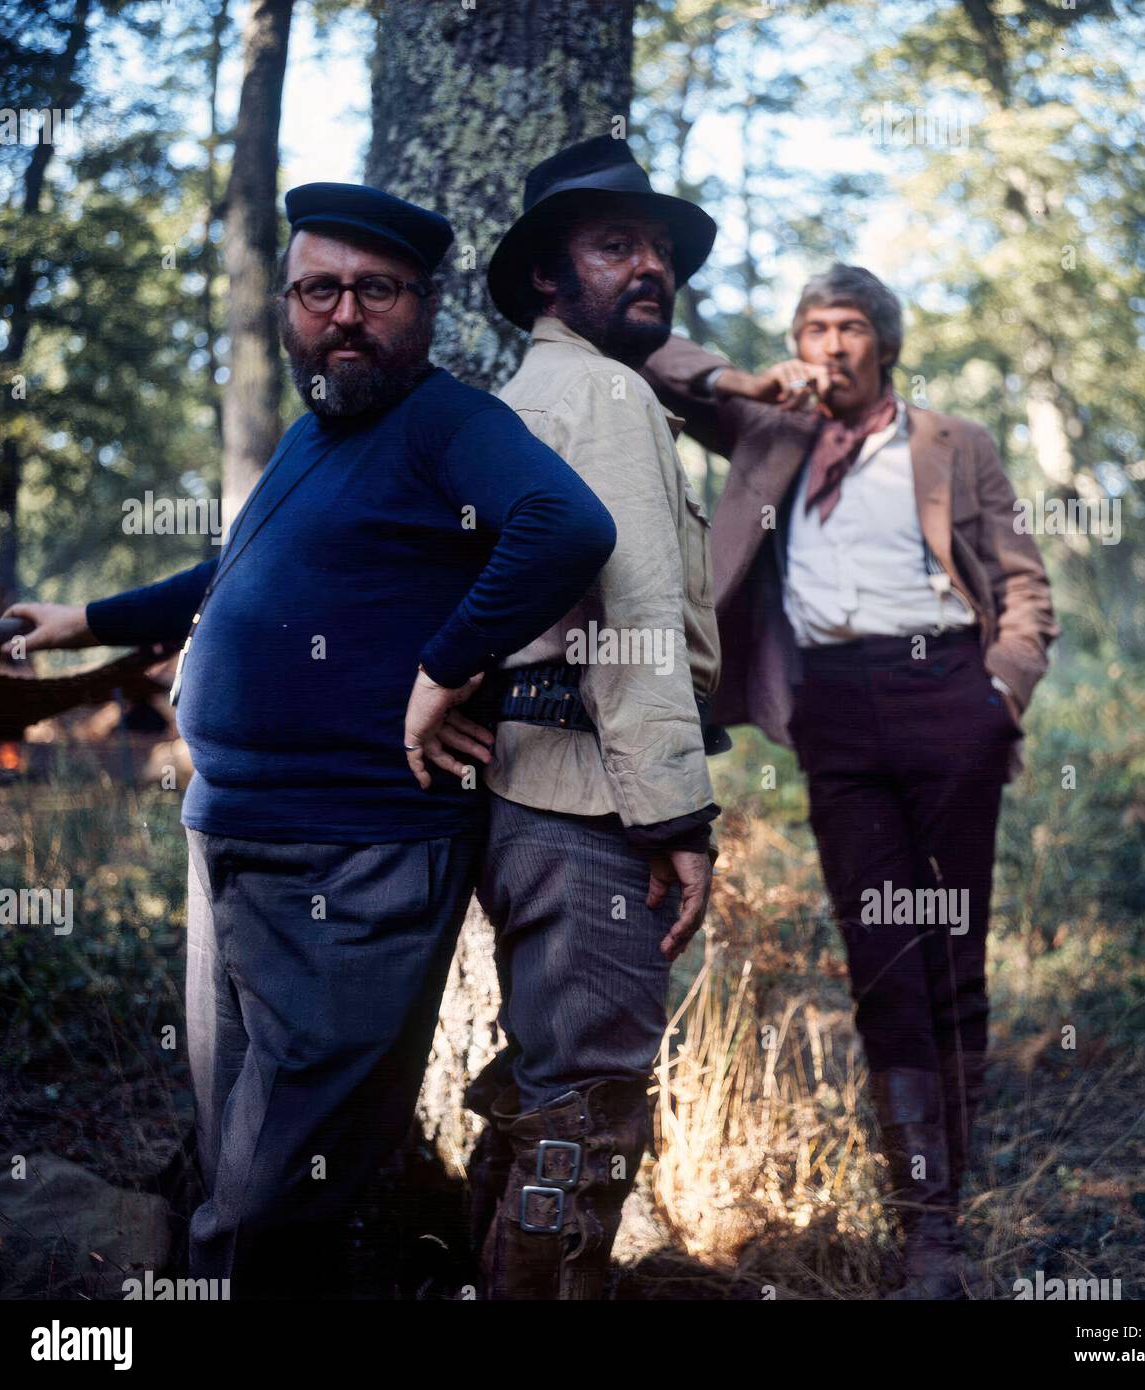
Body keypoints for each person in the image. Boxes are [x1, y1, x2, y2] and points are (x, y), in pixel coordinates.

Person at [2, 182, 616, 1298]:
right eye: (318, 289)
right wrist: (83, 621)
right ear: (287, 306)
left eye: (373, 291)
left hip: (356, 855)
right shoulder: (312, 435)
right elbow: (229, 577)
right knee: (236, 1147)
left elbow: (568, 526)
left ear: (423, 306)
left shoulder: (450, 425)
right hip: (229, 838)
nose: (343, 314)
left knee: (272, 1182)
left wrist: (445, 665)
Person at [641, 264, 1058, 1297]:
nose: (833, 345)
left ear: (886, 342)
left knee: (950, 951)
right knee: (881, 955)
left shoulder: (950, 441)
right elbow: (651, 361)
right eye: (816, 327)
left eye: (852, 327)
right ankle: (919, 1221)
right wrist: (745, 375)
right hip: (833, 710)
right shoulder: (771, 433)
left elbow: (1020, 578)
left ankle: (946, 1227)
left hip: (948, 698)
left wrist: (1000, 693)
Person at [456, 135, 724, 1299]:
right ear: (548, 281)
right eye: (616, 246)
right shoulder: (609, 394)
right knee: (592, 1103)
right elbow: (635, 617)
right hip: (591, 801)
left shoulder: (525, 396)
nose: (649, 268)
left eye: (659, 251)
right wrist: (676, 811)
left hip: (528, 793)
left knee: (548, 1082)